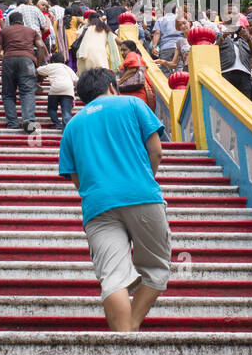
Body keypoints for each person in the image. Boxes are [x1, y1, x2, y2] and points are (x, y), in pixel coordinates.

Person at [59, 68, 171, 331]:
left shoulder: (72, 126)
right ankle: (130, 327)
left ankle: (124, 335)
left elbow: (76, 177)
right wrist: (143, 179)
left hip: (98, 206)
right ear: (112, 86)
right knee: (156, 269)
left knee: (113, 277)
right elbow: (156, 151)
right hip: (142, 195)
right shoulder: (133, 103)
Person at [0, 11, 47, 133]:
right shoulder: (31, 31)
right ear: (22, 21)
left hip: (8, 61)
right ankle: (28, 120)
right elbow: (40, 47)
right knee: (27, 92)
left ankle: (12, 123)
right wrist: (37, 67)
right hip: (27, 61)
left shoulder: (3, 32)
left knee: (8, 94)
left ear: (10, 22)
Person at [216, 18, 252, 104]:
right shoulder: (219, 35)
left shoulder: (245, 38)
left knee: (246, 104)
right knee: (226, 103)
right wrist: (223, 37)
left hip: (244, 75)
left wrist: (248, 40)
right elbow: (211, 51)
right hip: (226, 73)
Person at [37, 51, 78, 129]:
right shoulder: (67, 68)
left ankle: (57, 124)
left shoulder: (51, 66)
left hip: (55, 89)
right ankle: (66, 129)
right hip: (68, 90)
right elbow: (76, 79)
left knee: (51, 109)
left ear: (52, 61)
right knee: (66, 112)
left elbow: (38, 70)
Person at [117, 39, 155, 110]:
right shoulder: (137, 57)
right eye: (121, 50)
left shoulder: (132, 54)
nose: (122, 53)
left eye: (125, 50)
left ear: (132, 50)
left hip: (135, 95)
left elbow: (133, 69)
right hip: (137, 96)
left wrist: (120, 82)